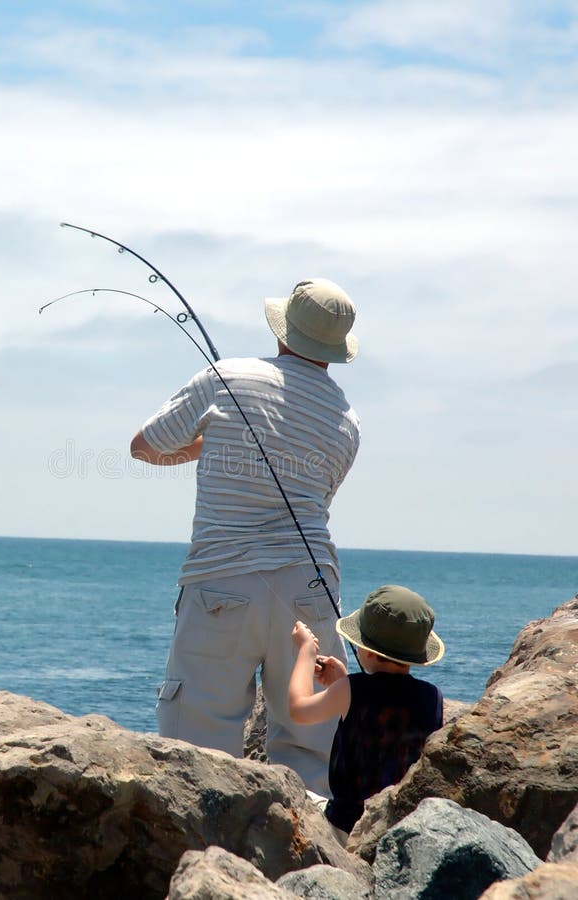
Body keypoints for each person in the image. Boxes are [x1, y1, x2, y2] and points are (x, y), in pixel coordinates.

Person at [130, 278, 361, 795]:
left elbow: (144, 446)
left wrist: (203, 445)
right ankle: (313, 869)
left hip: (222, 582)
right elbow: (313, 498)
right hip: (308, 587)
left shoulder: (227, 375)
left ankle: (207, 864)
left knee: (198, 749)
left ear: (283, 330)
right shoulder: (348, 420)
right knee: (310, 752)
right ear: (335, 349)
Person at [288, 584, 444, 843]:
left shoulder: (352, 689)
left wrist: (306, 652)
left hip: (346, 828)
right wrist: (341, 682)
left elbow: (299, 709)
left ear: (368, 651)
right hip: (400, 825)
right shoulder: (433, 697)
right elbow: (384, 719)